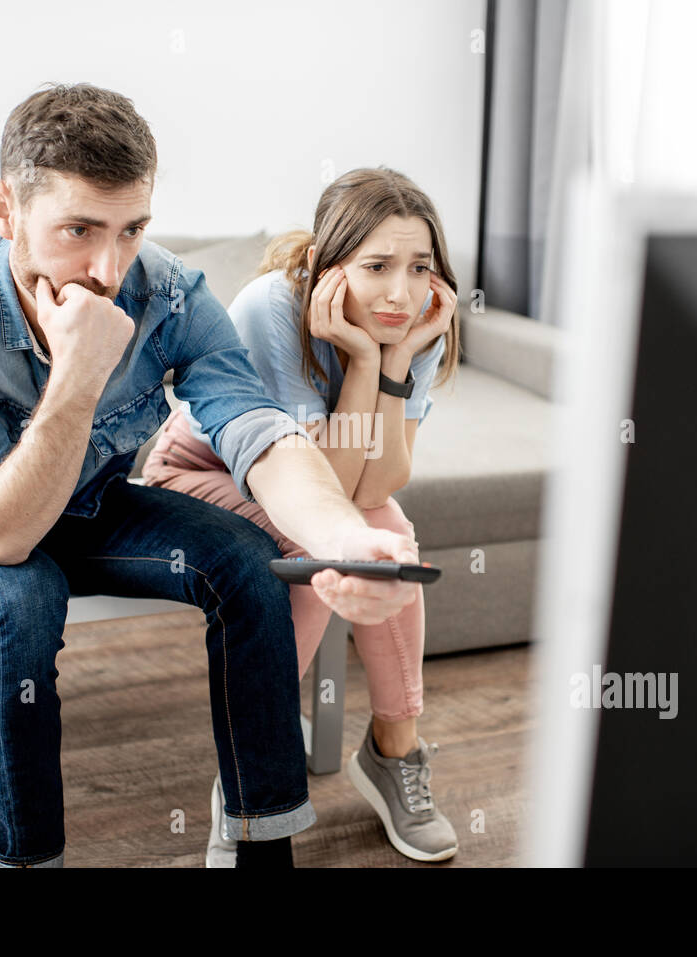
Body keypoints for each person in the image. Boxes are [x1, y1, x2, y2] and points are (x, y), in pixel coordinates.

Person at [0, 84, 421, 870]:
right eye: (78, 230)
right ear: (4, 209)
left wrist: (342, 538)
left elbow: (257, 434)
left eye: (131, 229)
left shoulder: (168, 294)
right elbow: (1, 534)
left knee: (245, 557)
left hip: (88, 498)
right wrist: (77, 376)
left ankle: (258, 845)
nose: (108, 266)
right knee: (22, 594)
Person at [142, 167, 462, 864]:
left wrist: (394, 358)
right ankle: (255, 765)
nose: (401, 291)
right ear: (327, 265)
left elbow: (381, 476)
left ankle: (393, 749)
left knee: (386, 536)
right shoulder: (270, 306)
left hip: (316, 488)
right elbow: (324, 490)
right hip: (200, 472)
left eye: (419, 267)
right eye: (377, 266)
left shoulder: (420, 320)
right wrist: (356, 357)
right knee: (320, 541)